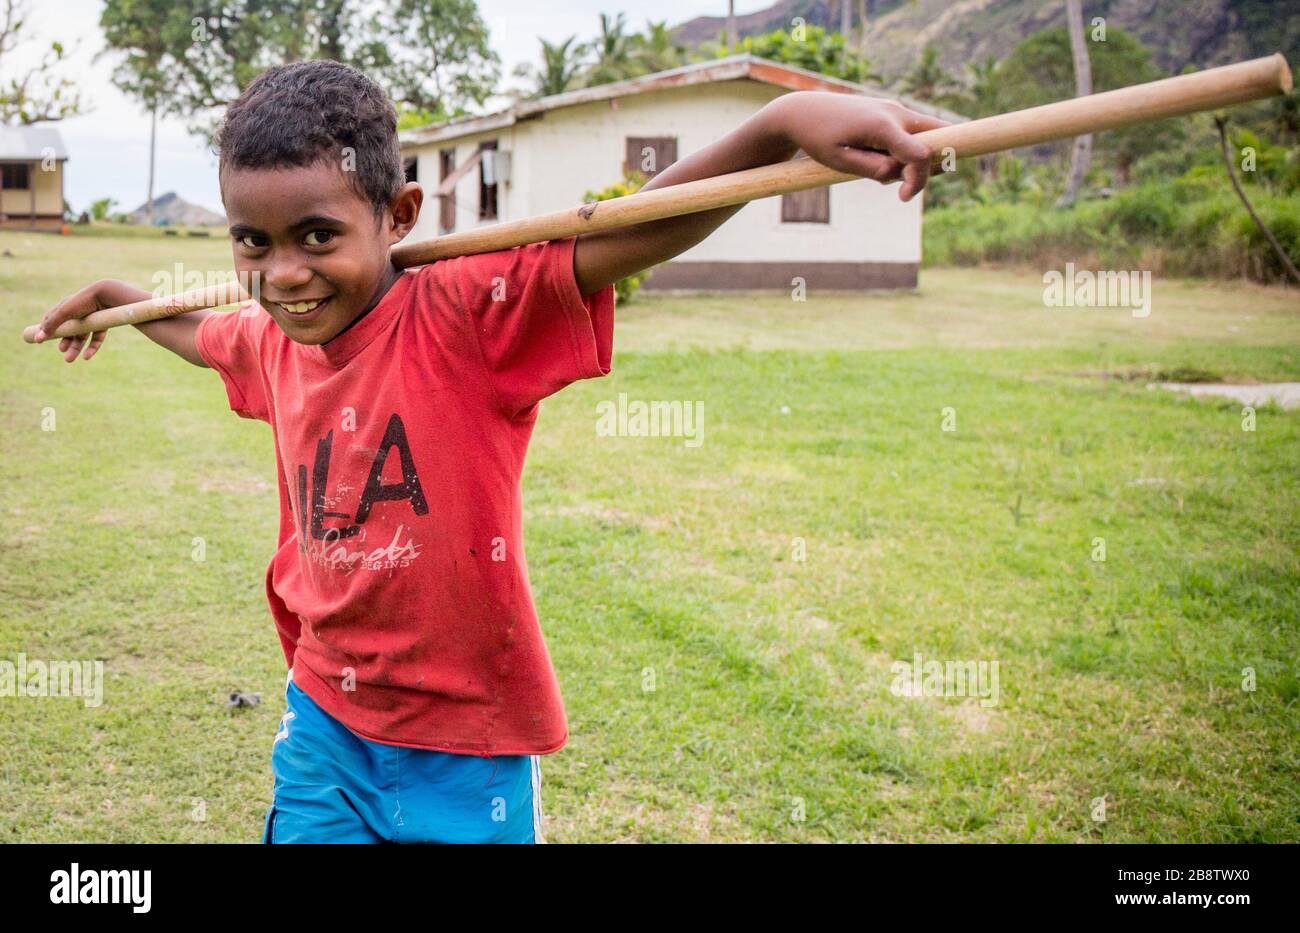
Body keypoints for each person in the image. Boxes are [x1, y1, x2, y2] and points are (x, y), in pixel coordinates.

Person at [34, 59, 943, 843]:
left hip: (470, 744)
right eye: (253, 243)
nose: (286, 274)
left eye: (318, 235)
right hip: (324, 719)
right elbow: (204, 332)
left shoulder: (466, 314)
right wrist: (122, 295)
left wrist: (780, 126)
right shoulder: (275, 343)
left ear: (400, 214)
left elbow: (623, 234)